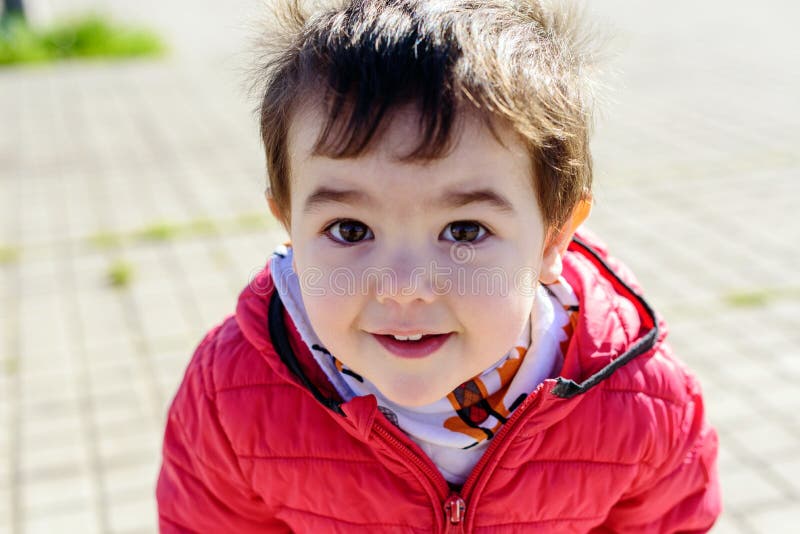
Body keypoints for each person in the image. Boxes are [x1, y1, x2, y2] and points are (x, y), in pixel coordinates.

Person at [156, 0, 721, 531]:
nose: (404, 288)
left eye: (465, 231)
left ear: (554, 239)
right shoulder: (231, 395)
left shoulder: (640, 402)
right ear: (289, 227)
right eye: (350, 230)